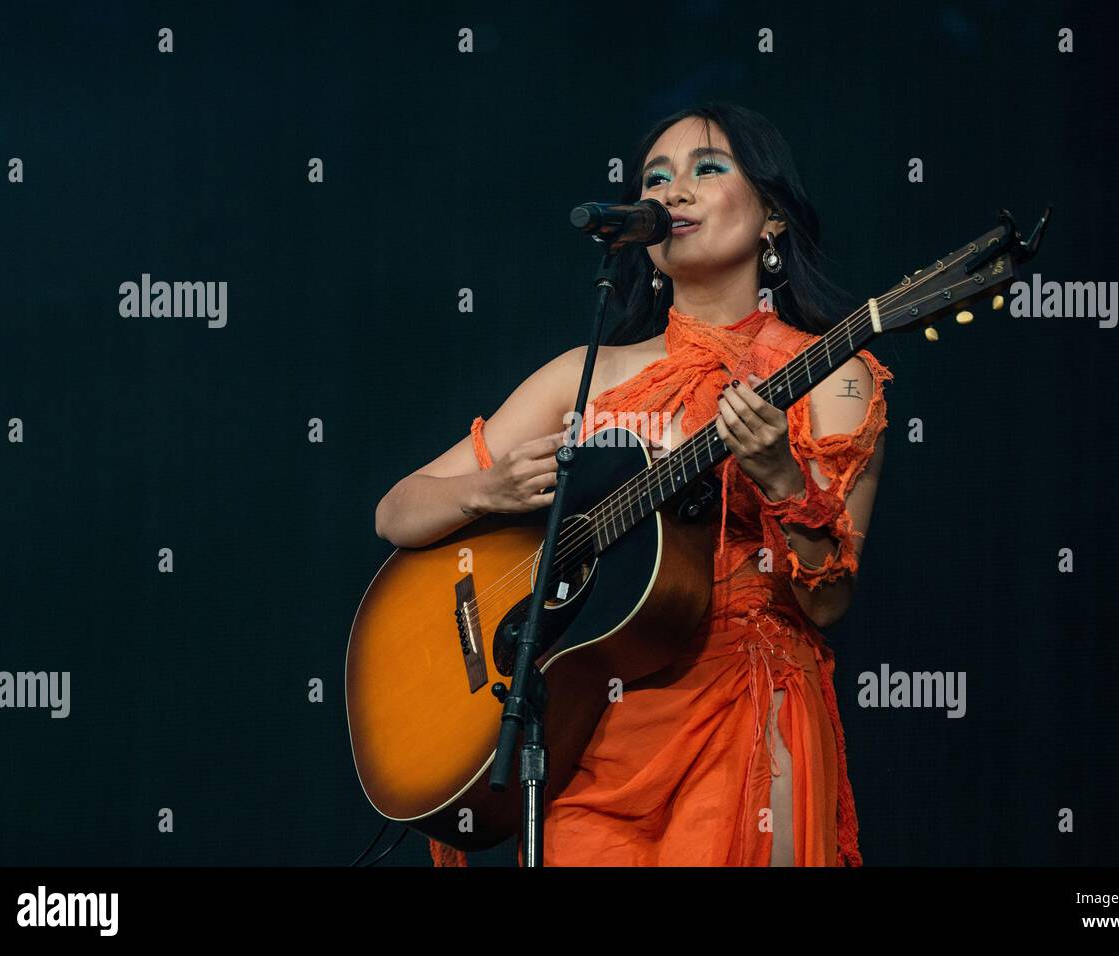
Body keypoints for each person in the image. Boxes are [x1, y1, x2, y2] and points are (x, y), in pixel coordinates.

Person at [374, 102, 892, 867]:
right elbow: (397, 511)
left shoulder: (832, 375)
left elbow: (827, 599)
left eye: (706, 169)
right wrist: (486, 493)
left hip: (743, 710)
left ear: (773, 217)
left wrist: (781, 475)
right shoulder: (589, 374)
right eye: (656, 177)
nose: (673, 191)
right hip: (592, 721)